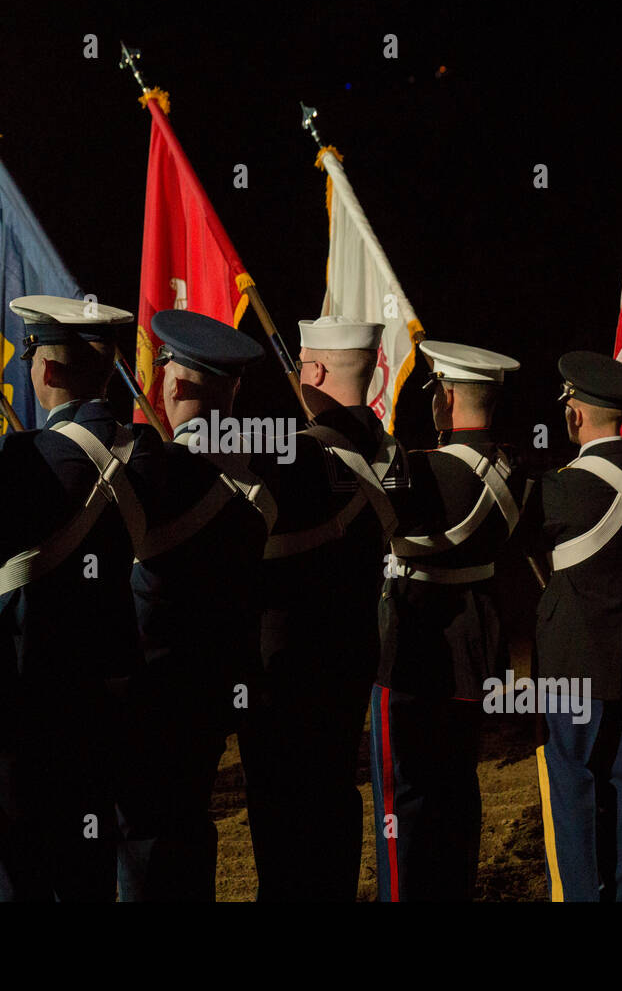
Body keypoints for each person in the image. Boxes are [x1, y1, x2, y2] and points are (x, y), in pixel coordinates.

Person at [0, 295, 154, 902]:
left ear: (46, 369)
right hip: (111, 689)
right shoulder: (149, 454)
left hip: (26, 693)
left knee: (21, 877)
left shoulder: (26, 457)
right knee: (89, 874)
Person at [240, 314, 409, 901]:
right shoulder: (396, 458)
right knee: (335, 791)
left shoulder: (295, 457)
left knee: (282, 813)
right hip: (356, 649)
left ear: (312, 371)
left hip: (284, 662)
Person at [116, 309, 274, 902]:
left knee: (146, 845)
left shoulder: (153, 471)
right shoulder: (255, 481)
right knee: (187, 829)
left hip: (146, 693)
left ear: (172, 384)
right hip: (213, 693)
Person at [371, 341, 523, 901]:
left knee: (404, 793)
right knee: (458, 786)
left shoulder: (422, 471)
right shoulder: (514, 467)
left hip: (413, 645)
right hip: (476, 641)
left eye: (436, 389)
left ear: (447, 397)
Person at [528, 351, 622, 902]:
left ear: (575, 413)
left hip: (570, 658)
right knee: (616, 781)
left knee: (570, 783)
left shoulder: (559, 487)